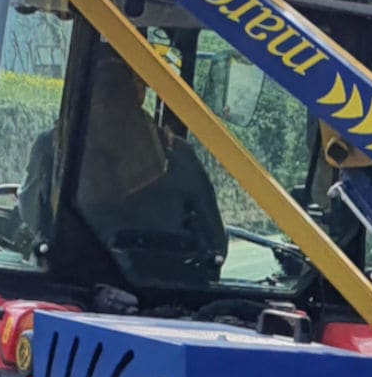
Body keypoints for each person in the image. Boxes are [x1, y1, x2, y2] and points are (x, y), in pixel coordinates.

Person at [20, 46, 227, 274]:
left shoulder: (52, 146)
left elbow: (32, 217)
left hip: (68, 285)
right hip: (168, 293)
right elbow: (214, 241)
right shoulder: (177, 153)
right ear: (139, 91)